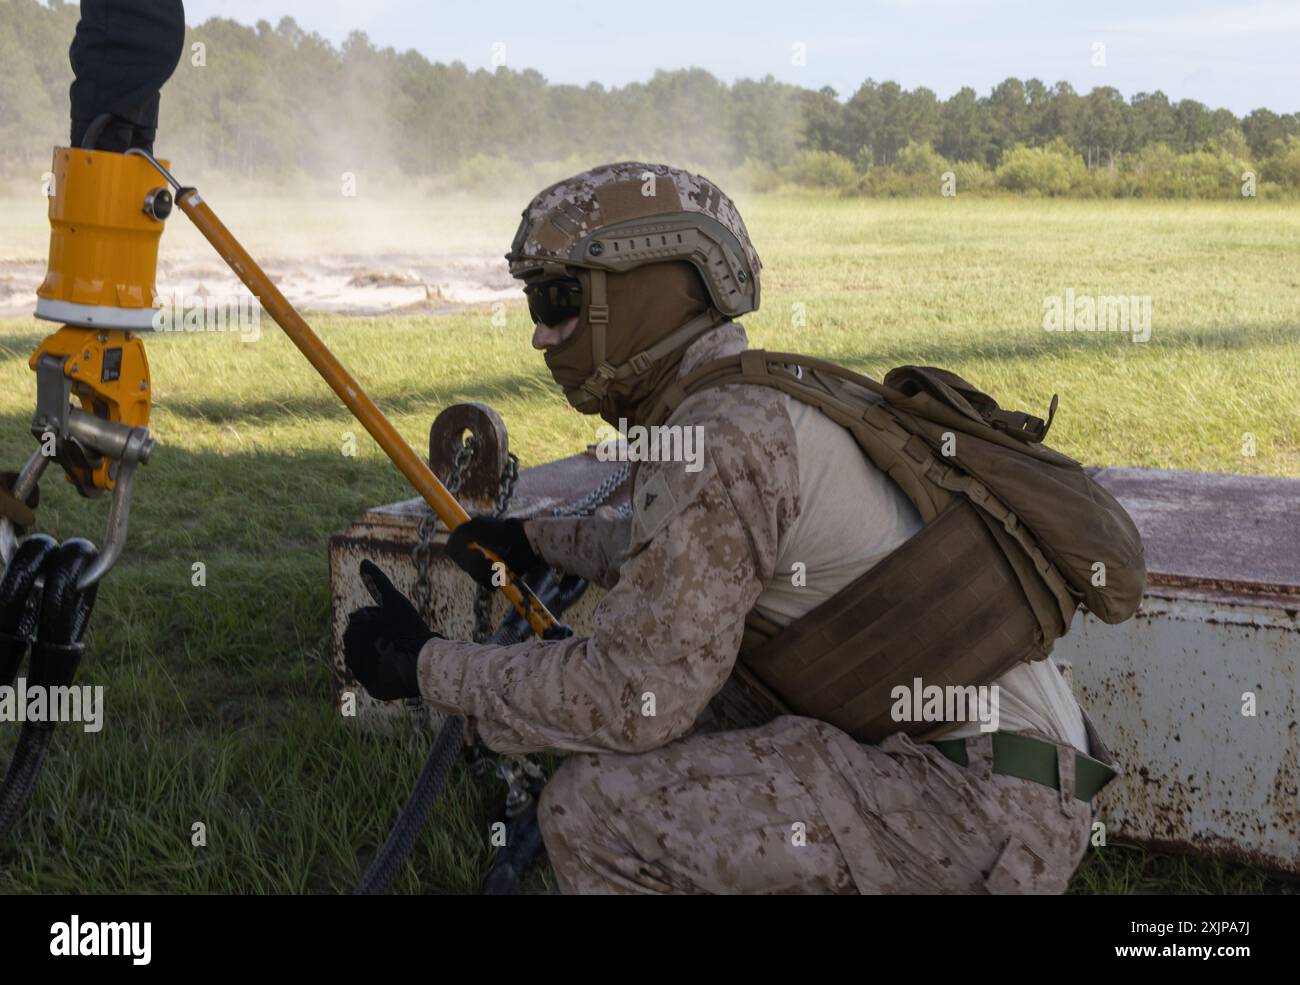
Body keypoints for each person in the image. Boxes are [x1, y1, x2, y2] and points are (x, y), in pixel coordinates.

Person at [343, 162, 1118, 894]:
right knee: (679, 719)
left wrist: (427, 667)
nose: (541, 337)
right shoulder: (742, 402)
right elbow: (680, 554)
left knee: (594, 809)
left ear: (640, 295)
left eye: (556, 302)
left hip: (976, 805)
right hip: (992, 764)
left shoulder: (723, 438)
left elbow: (628, 694)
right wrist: (533, 541)